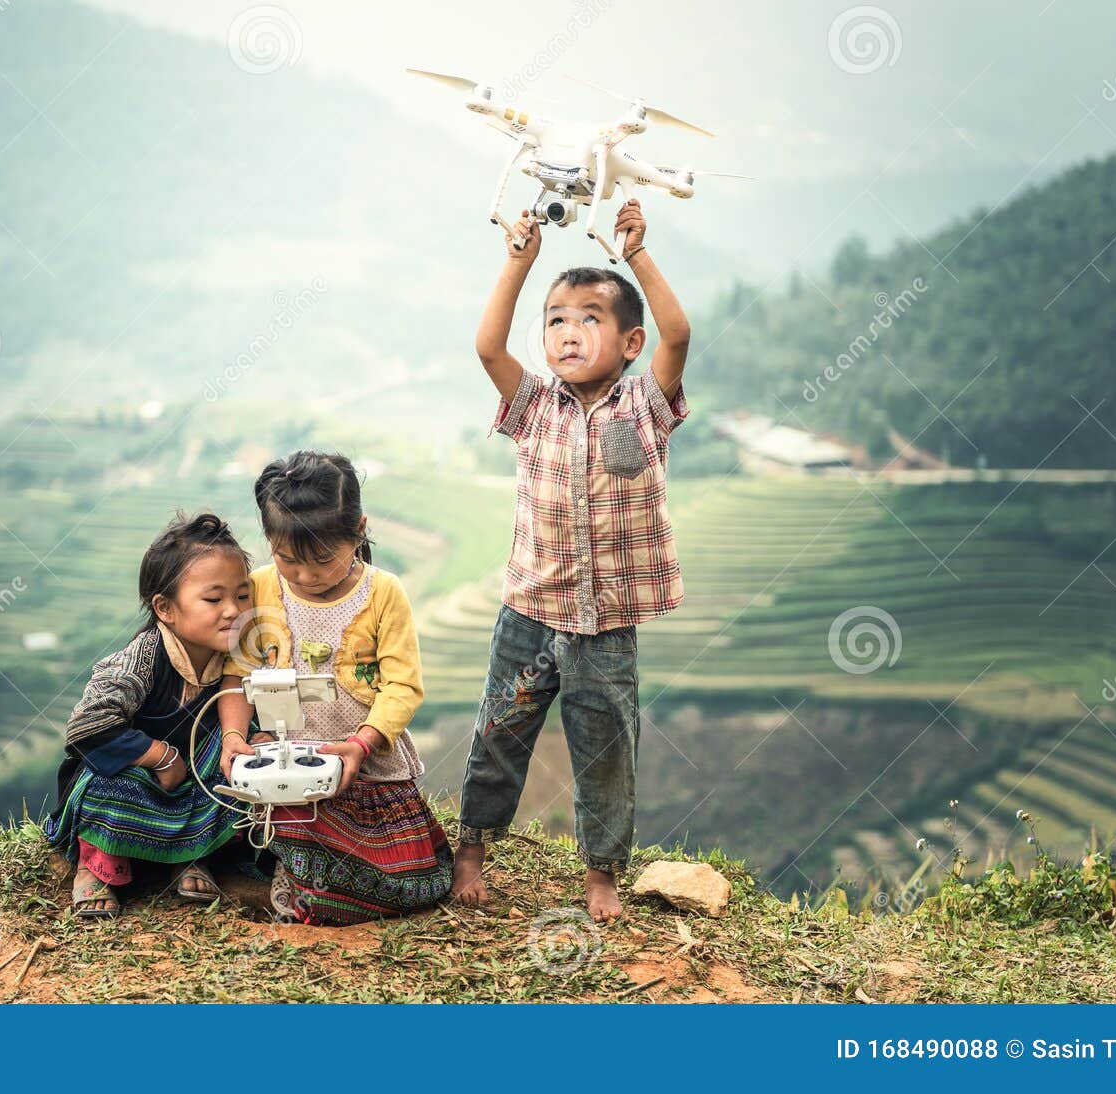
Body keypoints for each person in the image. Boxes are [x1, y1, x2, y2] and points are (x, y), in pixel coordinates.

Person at [455, 199, 691, 920]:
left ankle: (602, 874)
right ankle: (471, 848)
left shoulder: (645, 406)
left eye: (590, 318)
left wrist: (636, 253)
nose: (568, 331)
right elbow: (488, 348)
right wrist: (518, 262)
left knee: (605, 752)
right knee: (499, 735)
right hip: (529, 612)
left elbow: (680, 333)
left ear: (630, 342)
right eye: (556, 319)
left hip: (607, 626)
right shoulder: (533, 406)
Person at [218, 450, 453, 925]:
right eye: (287, 559)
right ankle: (289, 873)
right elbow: (238, 674)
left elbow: (402, 685)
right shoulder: (260, 588)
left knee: (408, 882)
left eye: (322, 560)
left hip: (366, 768)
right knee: (278, 820)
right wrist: (234, 737)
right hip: (285, 764)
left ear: (359, 530)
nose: (305, 576)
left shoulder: (383, 593)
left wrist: (361, 745)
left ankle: (307, 877)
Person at [45, 511, 256, 919]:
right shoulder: (141, 659)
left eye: (243, 596)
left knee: (240, 765)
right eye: (214, 599)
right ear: (165, 608)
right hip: (140, 780)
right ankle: (97, 865)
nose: (233, 610)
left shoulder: (237, 660)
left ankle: (192, 855)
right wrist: (160, 756)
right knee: (110, 782)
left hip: (193, 782)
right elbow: (87, 725)